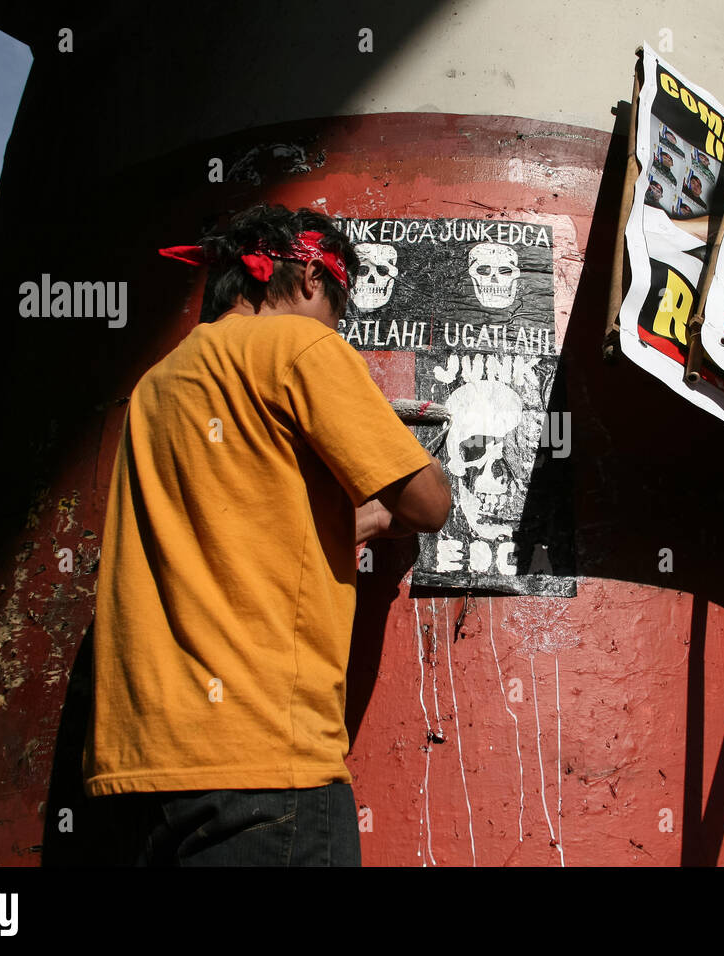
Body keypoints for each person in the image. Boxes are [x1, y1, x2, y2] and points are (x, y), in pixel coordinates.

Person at [83, 203, 451, 866]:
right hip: (262, 760)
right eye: (340, 311)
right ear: (311, 278)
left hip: (139, 769)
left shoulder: (157, 383)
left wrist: (347, 522)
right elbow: (426, 503)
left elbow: (235, 516)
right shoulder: (297, 345)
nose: (337, 329)